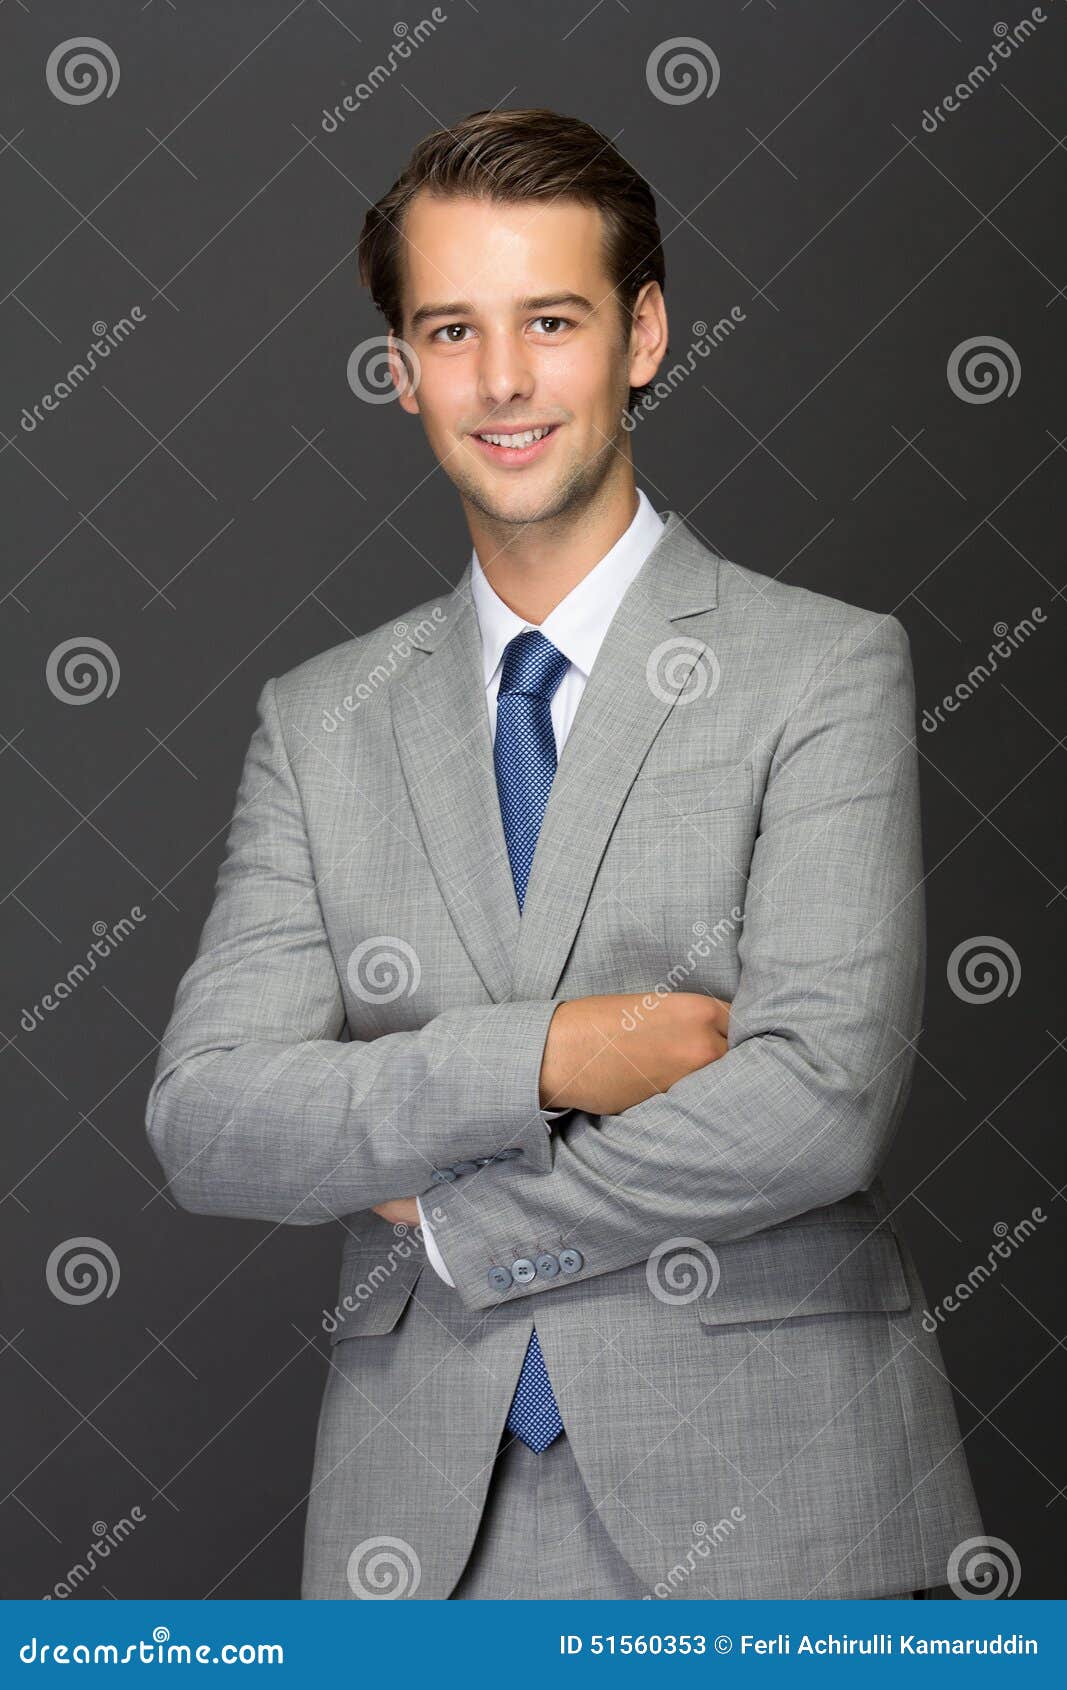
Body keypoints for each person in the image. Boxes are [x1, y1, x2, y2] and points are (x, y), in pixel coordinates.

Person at [146, 107, 984, 1601]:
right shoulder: (320, 721)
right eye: (452, 331)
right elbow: (212, 1118)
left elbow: (818, 1102)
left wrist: (462, 1215)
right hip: (426, 1544)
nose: (505, 380)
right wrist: (552, 1055)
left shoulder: (823, 668)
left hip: (786, 1523)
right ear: (399, 370)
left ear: (645, 334)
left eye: (552, 320)